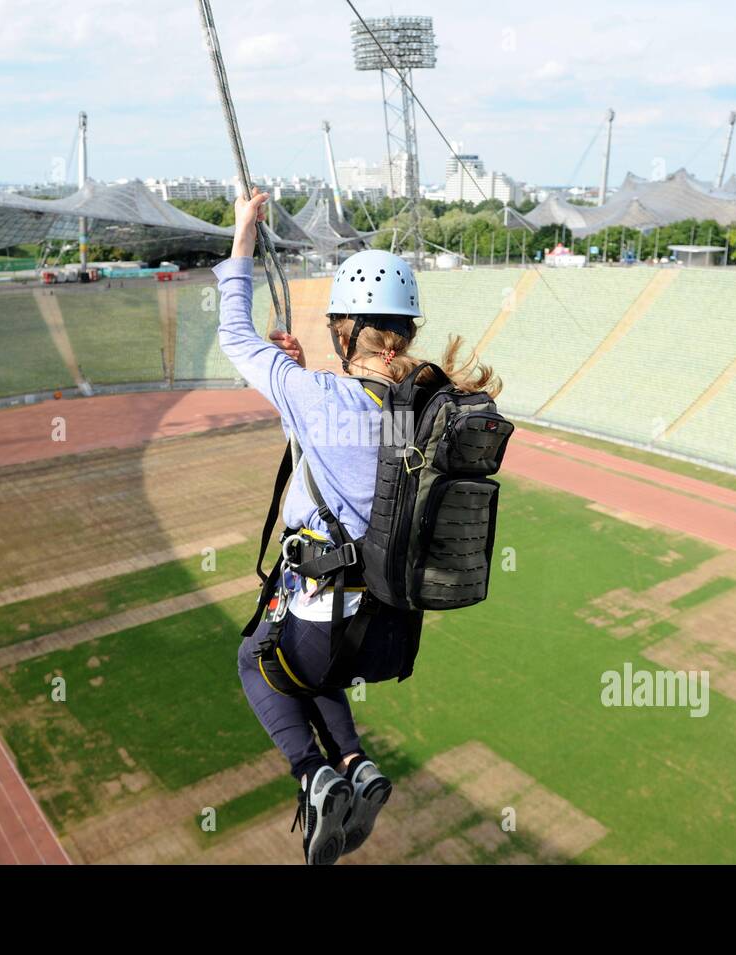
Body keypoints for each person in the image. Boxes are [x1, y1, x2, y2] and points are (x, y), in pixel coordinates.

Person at [213, 187, 501, 865]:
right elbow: (361, 450)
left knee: (257, 659)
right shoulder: (428, 408)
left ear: (345, 329)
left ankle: (314, 776)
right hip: (394, 632)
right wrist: (302, 379)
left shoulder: (316, 395)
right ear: (404, 329)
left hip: (324, 627)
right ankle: (356, 763)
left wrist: (242, 238)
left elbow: (234, 336)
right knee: (320, 669)